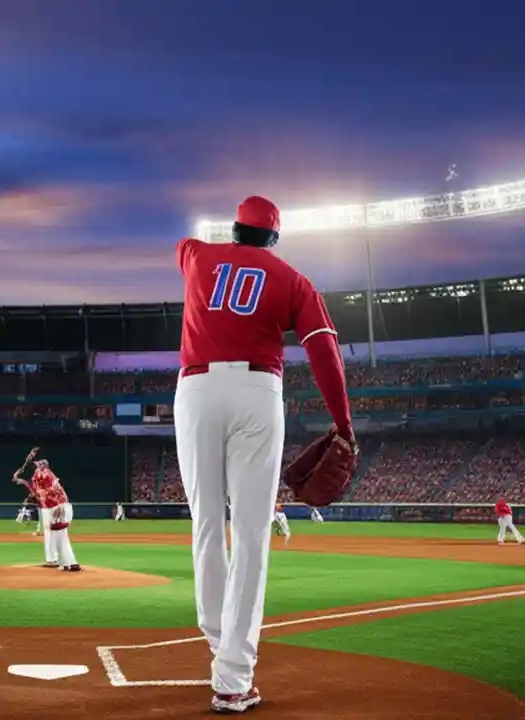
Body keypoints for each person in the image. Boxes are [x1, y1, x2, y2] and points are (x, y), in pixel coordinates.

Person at [174, 195, 352, 714]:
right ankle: (232, 678)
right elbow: (324, 350)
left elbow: (183, 247)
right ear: (274, 239)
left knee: (206, 523)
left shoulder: (196, 255)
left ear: (233, 230)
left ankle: (218, 643)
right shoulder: (294, 281)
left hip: (197, 391)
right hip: (257, 392)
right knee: (251, 535)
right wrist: (343, 422)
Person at [13, 450, 81, 571]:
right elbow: (37, 491)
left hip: (58, 507)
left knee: (60, 536)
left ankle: (71, 563)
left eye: (38, 464)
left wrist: (59, 506)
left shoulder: (44, 473)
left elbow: (53, 490)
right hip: (58, 506)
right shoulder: (42, 476)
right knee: (60, 536)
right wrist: (22, 481)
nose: (37, 467)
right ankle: (67, 563)